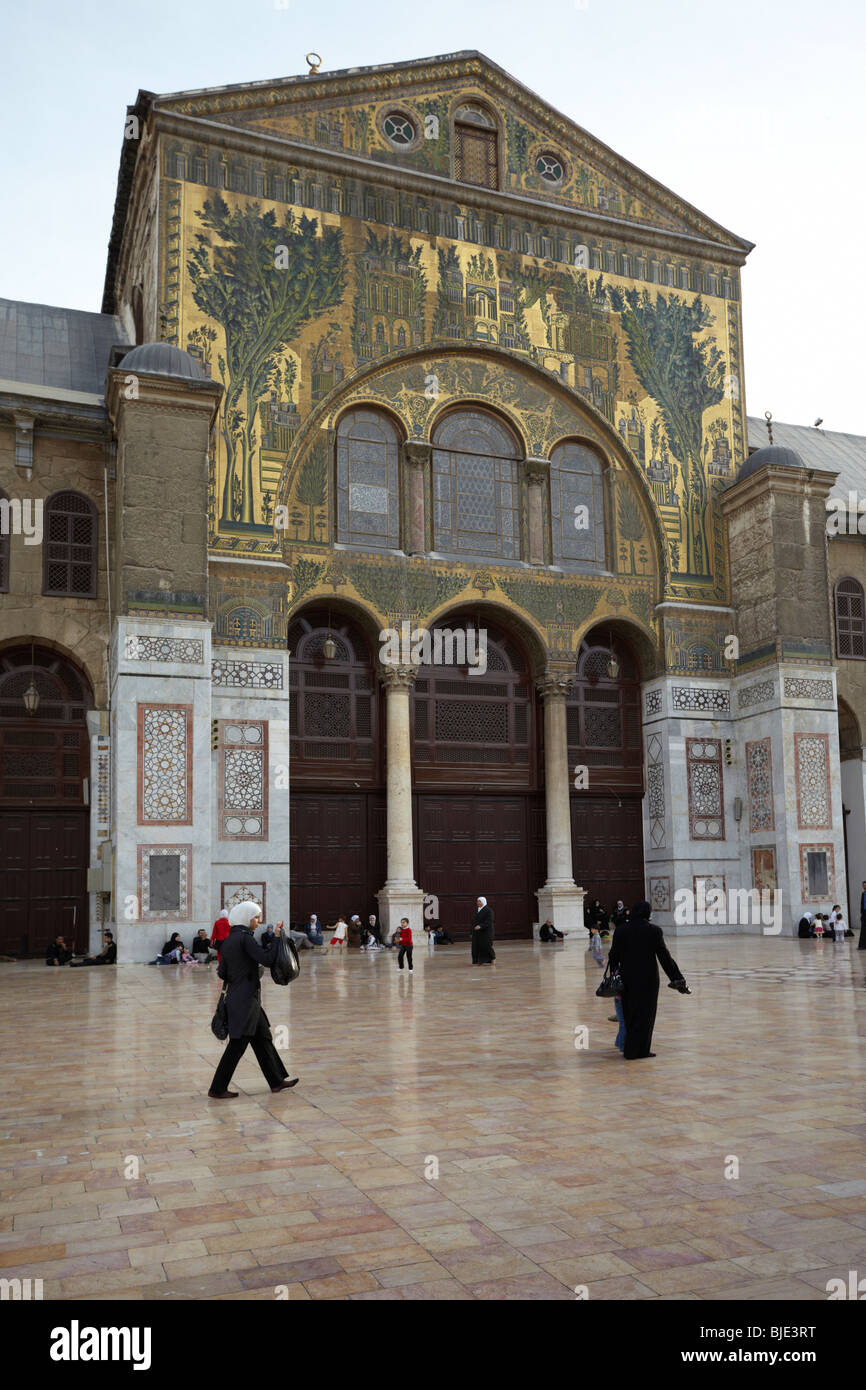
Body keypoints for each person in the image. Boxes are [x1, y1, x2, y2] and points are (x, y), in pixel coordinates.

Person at [207, 902, 298, 1100]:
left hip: (240, 998)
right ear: (247, 917)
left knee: (262, 1039)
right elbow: (266, 959)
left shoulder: (230, 939)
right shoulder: (245, 938)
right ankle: (217, 1088)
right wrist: (275, 939)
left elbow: (222, 971)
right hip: (246, 1001)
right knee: (237, 1044)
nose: (258, 921)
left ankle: (276, 1081)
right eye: (256, 917)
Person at [608, 900, 688, 1060]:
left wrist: (614, 976)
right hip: (648, 979)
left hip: (627, 978)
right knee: (646, 1015)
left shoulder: (621, 931)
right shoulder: (654, 931)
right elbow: (665, 957)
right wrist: (677, 978)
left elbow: (613, 956)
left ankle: (630, 1050)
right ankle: (642, 1050)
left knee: (629, 1013)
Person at [471, 896, 495, 965]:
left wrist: (481, 926)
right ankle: (479, 960)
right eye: (477, 901)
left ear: (483, 902)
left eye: (479, 901)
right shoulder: (477, 910)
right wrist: (471, 932)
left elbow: (489, 921)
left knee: (486, 946)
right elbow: (473, 922)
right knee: (476, 946)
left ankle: (492, 958)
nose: (477, 903)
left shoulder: (488, 910)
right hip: (477, 933)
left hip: (486, 932)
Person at [860, 882, 866, 949]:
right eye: (863, 885)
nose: (864, 886)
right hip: (864, 914)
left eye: (865, 885)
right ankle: (863, 945)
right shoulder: (863, 893)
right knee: (863, 929)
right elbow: (862, 905)